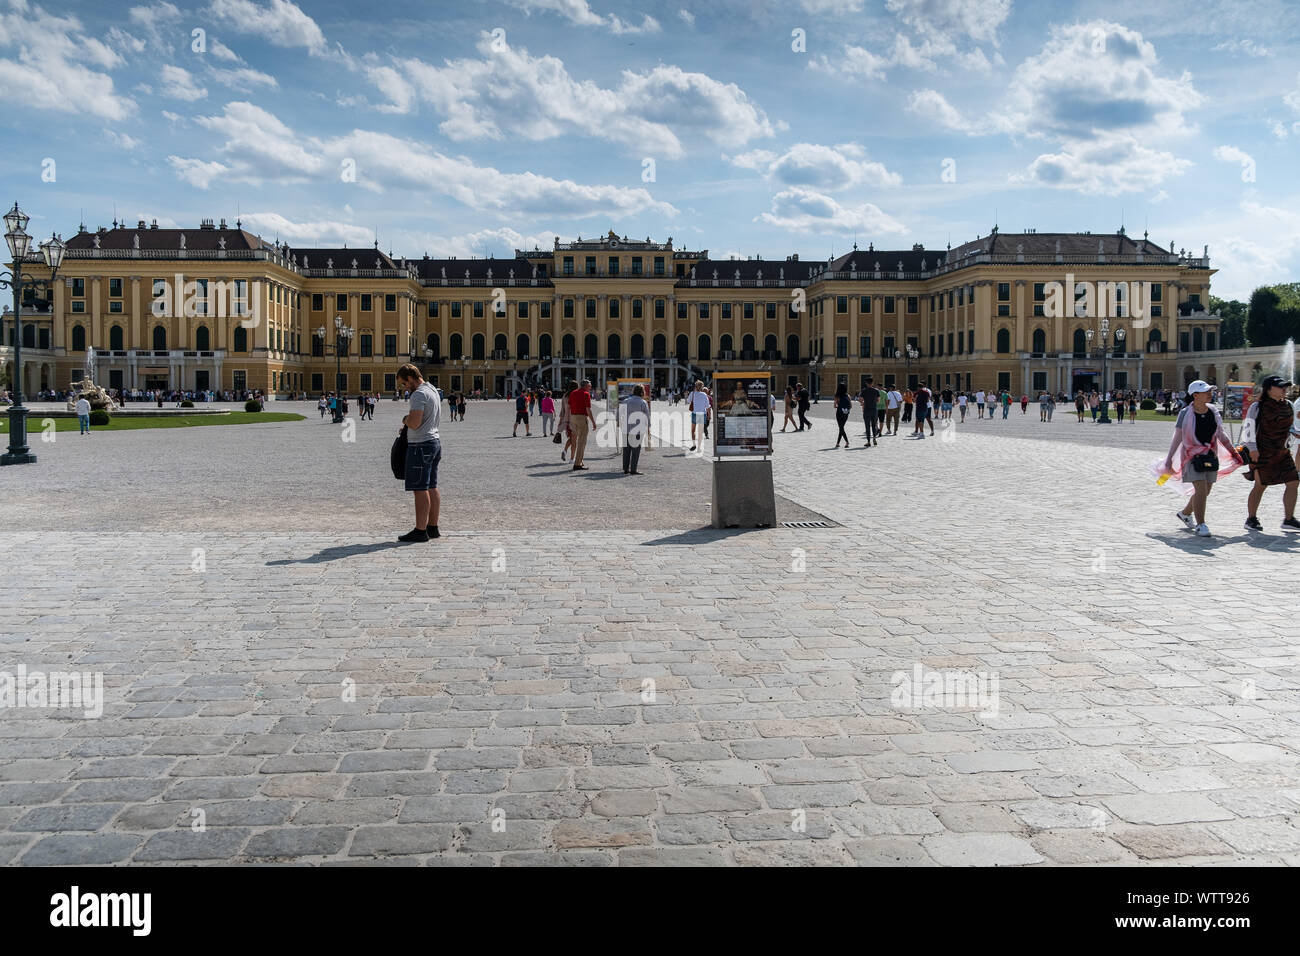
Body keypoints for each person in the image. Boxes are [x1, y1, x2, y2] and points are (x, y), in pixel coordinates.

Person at [1162, 380, 1239, 537]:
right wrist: (1169, 459)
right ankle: (1201, 524)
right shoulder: (1185, 413)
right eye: (1206, 392)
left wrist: (1233, 452)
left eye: (1210, 391)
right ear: (1195, 395)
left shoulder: (1213, 411)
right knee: (1201, 490)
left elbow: (1220, 434)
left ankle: (1184, 513)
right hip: (1191, 456)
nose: (1210, 394)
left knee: (1205, 491)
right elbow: (1177, 438)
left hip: (1210, 455)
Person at [1242, 375, 1300, 532]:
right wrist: (1252, 449)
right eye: (1281, 386)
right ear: (1269, 389)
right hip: (1262, 452)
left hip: (1282, 452)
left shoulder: (1288, 405)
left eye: (1285, 386)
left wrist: (1296, 432)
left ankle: (1289, 519)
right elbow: (1248, 430)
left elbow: (1289, 426)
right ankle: (1251, 518)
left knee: (1293, 481)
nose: (1284, 389)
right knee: (1261, 485)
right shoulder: (1257, 407)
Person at [395, 364, 442, 543]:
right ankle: (432, 527)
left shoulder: (419, 394)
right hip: (434, 442)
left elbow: (414, 423)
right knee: (431, 485)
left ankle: (420, 530)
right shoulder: (432, 389)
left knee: (420, 489)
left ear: (411, 379)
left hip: (420, 445)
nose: (404, 388)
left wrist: (405, 419)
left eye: (404, 384)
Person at [568, 378, 596, 470]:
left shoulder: (573, 393)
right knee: (582, 441)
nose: (591, 387)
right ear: (585, 386)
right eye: (589, 386)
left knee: (577, 440)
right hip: (581, 418)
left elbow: (569, 406)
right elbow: (588, 409)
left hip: (573, 418)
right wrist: (593, 422)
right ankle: (577, 464)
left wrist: (569, 419)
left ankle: (580, 460)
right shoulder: (586, 394)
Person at [622, 384, 649, 474]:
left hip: (626, 428)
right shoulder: (643, 402)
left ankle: (625, 468)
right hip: (638, 429)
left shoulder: (625, 401)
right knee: (635, 450)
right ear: (642, 392)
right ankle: (633, 469)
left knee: (626, 449)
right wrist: (648, 427)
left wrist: (619, 422)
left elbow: (619, 413)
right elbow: (647, 416)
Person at [689, 381, 712, 449]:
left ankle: (694, 444)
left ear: (695, 387)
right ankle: (699, 446)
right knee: (700, 431)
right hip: (702, 414)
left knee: (693, 430)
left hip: (695, 414)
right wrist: (709, 415)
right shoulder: (704, 395)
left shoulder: (692, 393)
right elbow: (707, 407)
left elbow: (688, 401)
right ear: (702, 387)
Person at [859, 376, 879, 447]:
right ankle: (874, 438)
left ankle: (868, 441)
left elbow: (860, 399)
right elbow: (878, 400)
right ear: (872, 383)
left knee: (867, 426)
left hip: (867, 410)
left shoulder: (864, 390)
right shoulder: (876, 390)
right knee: (874, 425)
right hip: (874, 410)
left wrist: (863, 403)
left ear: (866, 383)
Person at [557, 383, 574, 462]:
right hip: (574, 419)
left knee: (571, 438)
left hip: (566, 420)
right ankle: (571, 458)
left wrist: (560, 422)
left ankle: (565, 451)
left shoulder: (564, 396)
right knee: (574, 439)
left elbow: (562, 411)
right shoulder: (575, 395)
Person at [833, 382, 852, 448]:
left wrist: (839, 406)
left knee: (841, 428)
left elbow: (834, 406)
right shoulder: (848, 395)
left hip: (839, 413)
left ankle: (847, 442)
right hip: (846, 413)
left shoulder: (837, 395)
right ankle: (838, 443)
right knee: (841, 428)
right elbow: (851, 406)